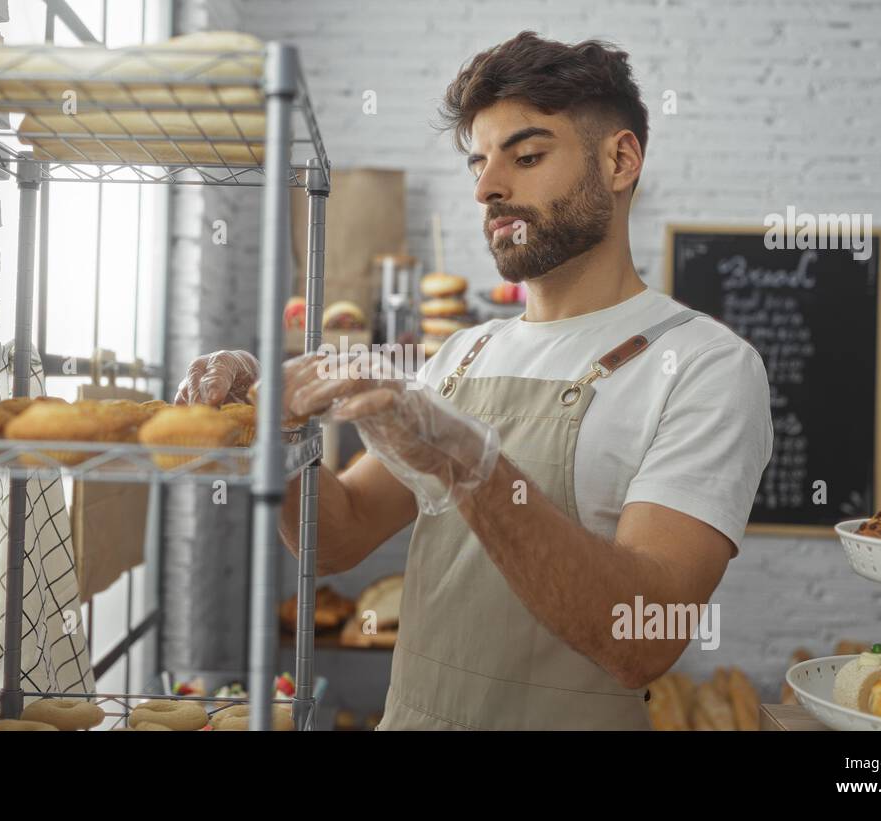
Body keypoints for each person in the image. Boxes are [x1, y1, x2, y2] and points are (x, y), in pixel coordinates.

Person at [175, 32, 773, 730]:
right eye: (478, 163)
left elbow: (641, 637)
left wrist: (464, 458)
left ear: (620, 159)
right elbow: (335, 536)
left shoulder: (703, 364)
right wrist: (266, 422)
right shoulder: (463, 352)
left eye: (526, 156)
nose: (488, 188)